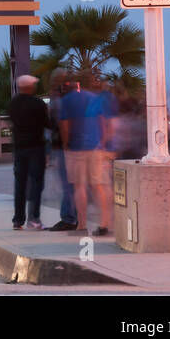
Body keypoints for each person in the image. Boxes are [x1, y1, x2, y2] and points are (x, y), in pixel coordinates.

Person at [60, 75, 113, 236]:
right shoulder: (95, 99)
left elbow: (64, 126)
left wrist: (65, 144)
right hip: (95, 147)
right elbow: (103, 123)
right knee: (97, 185)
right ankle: (103, 223)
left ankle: (82, 224)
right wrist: (102, 142)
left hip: (76, 148)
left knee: (79, 185)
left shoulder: (67, 100)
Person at [9, 74, 50, 230]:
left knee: (20, 184)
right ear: (30, 87)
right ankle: (34, 219)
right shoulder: (38, 104)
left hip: (19, 148)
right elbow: (46, 123)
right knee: (36, 184)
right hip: (36, 147)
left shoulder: (13, 104)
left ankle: (18, 220)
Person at [46, 70, 79, 231]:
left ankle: (69, 218)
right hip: (72, 145)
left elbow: (62, 124)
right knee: (72, 184)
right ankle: (75, 217)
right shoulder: (72, 99)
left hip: (63, 146)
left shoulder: (59, 101)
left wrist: (65, 145)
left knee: (67, 184)